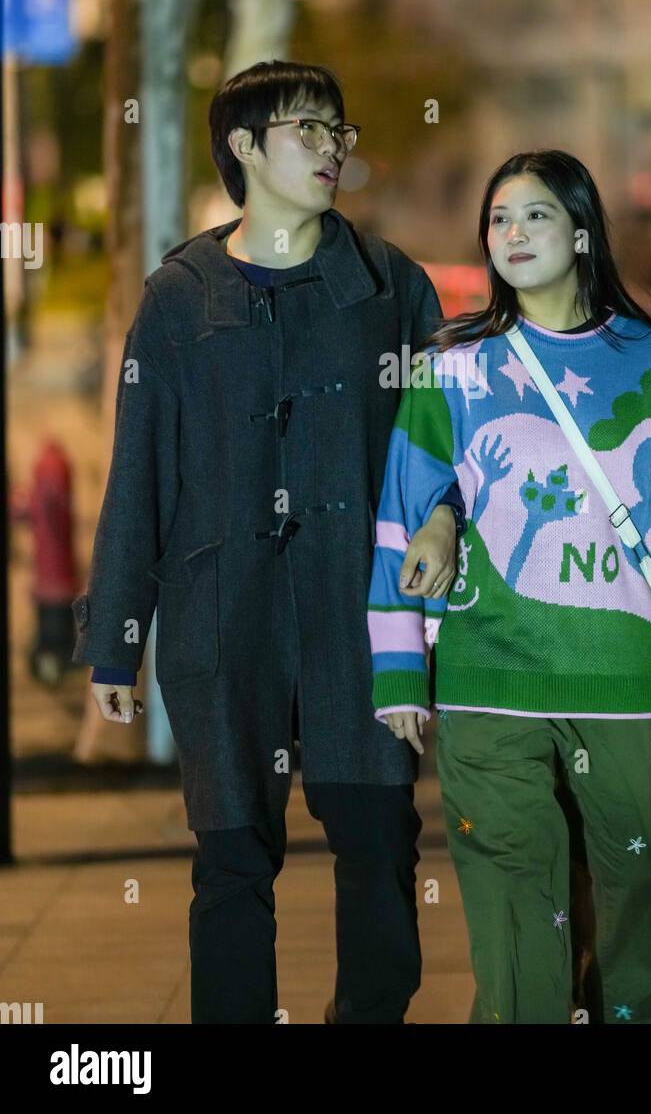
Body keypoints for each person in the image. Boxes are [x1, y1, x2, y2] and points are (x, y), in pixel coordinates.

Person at [71, 59, 466, 1024]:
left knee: (379, 844)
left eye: (340, 130)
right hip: (225, 612)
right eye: (307, 130)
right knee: (233, 860)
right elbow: (140, 475)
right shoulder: (179, 298)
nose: (333, 150)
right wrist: (117, 636)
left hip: (359, 614)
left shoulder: (388, 287)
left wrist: (445, 516)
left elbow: (447, 435)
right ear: (244, 149)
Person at [367, 149, 651, 1025]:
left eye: (535, 215)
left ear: (581, 233)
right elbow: (401, 518)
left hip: (626, 687)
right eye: (499, 219)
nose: (512, 233)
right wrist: (398, 675)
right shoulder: (451, 368)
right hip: (486, 678)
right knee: (511, 903)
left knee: (631, 913)